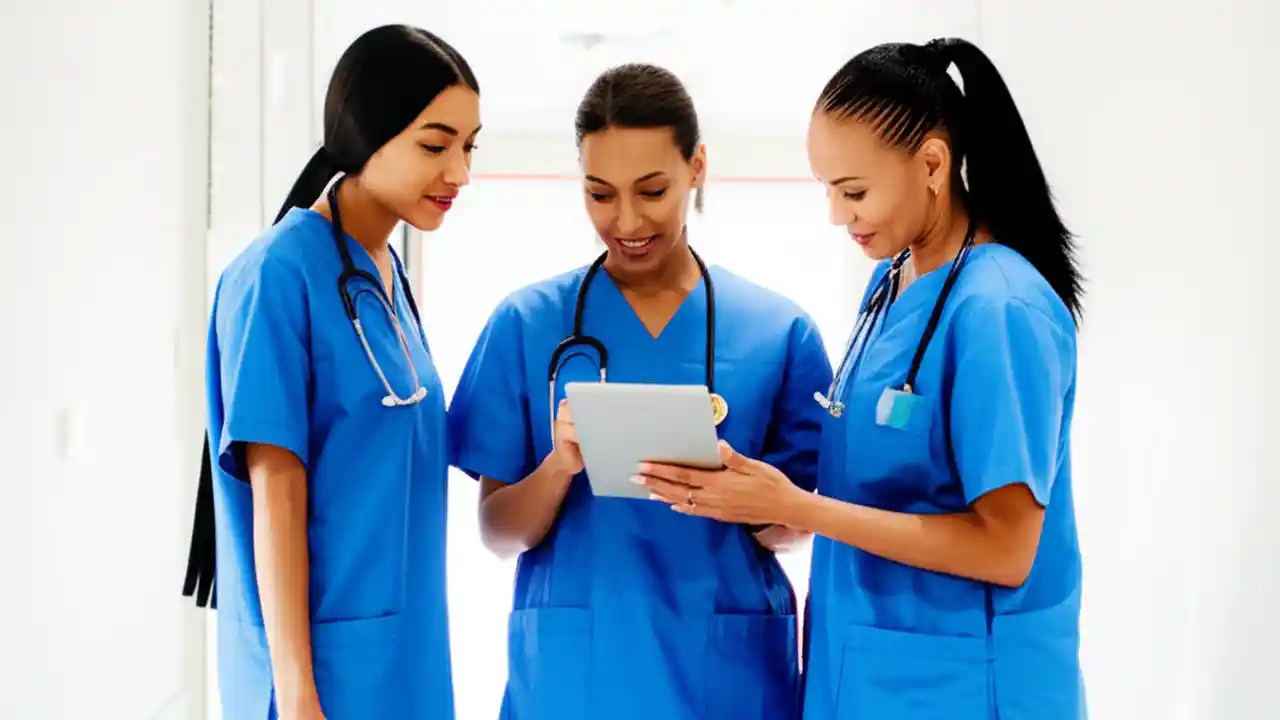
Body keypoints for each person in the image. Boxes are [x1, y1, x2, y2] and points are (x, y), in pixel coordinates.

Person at [639, 38, 1087, 719]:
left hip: (966, 689)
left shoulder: (1000, 308)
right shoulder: (889, 284)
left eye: (854, 191)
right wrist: (756, 497)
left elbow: (1006, 548)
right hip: (866, 677)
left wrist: (801, 508)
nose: (836, 214)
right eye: (827, 189)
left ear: (932, 164)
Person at [447, 63, 833, 720]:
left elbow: (797, 529)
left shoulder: (778, 331)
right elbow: (497, 533)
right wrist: (559, 466)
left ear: (697, 167)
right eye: (600, 194)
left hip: (723, 680)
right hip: (577, 684)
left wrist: (750, 499)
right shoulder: (527, 324)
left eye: (652, 190)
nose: (627, 220)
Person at [186, 25, 479, 719]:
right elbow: (276, 489)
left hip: (403, 660)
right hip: (318, 677)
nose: (459, 174)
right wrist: (296, 695)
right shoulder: (277, 275)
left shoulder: (384, 273)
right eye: (434, 146)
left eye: (469, 147)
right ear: (366, 135)